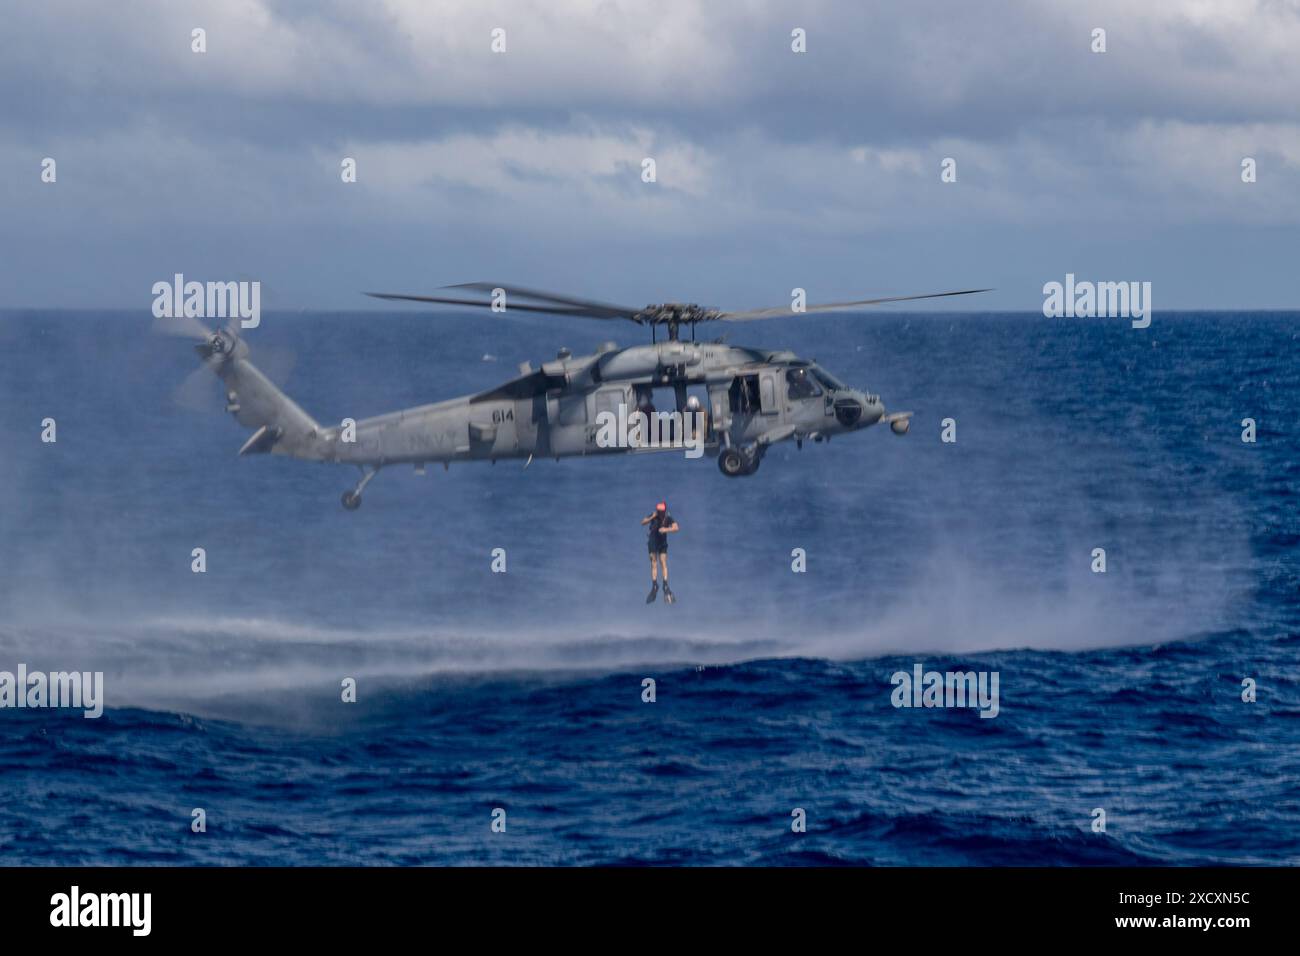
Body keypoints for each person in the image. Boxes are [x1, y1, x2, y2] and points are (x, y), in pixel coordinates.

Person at [640, 502, 679, 603]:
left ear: (664, 510)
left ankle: (665, 584)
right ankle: (654, 585)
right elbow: (643, 522)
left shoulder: (668, 517)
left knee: (663, 562)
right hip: (653, 541)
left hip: (662, 542)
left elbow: (676, 528)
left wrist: (666, 529)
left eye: (661, 511)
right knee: (654, 562)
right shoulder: (654, 515)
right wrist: (651, 517)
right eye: (659, 511)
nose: (660, 513)